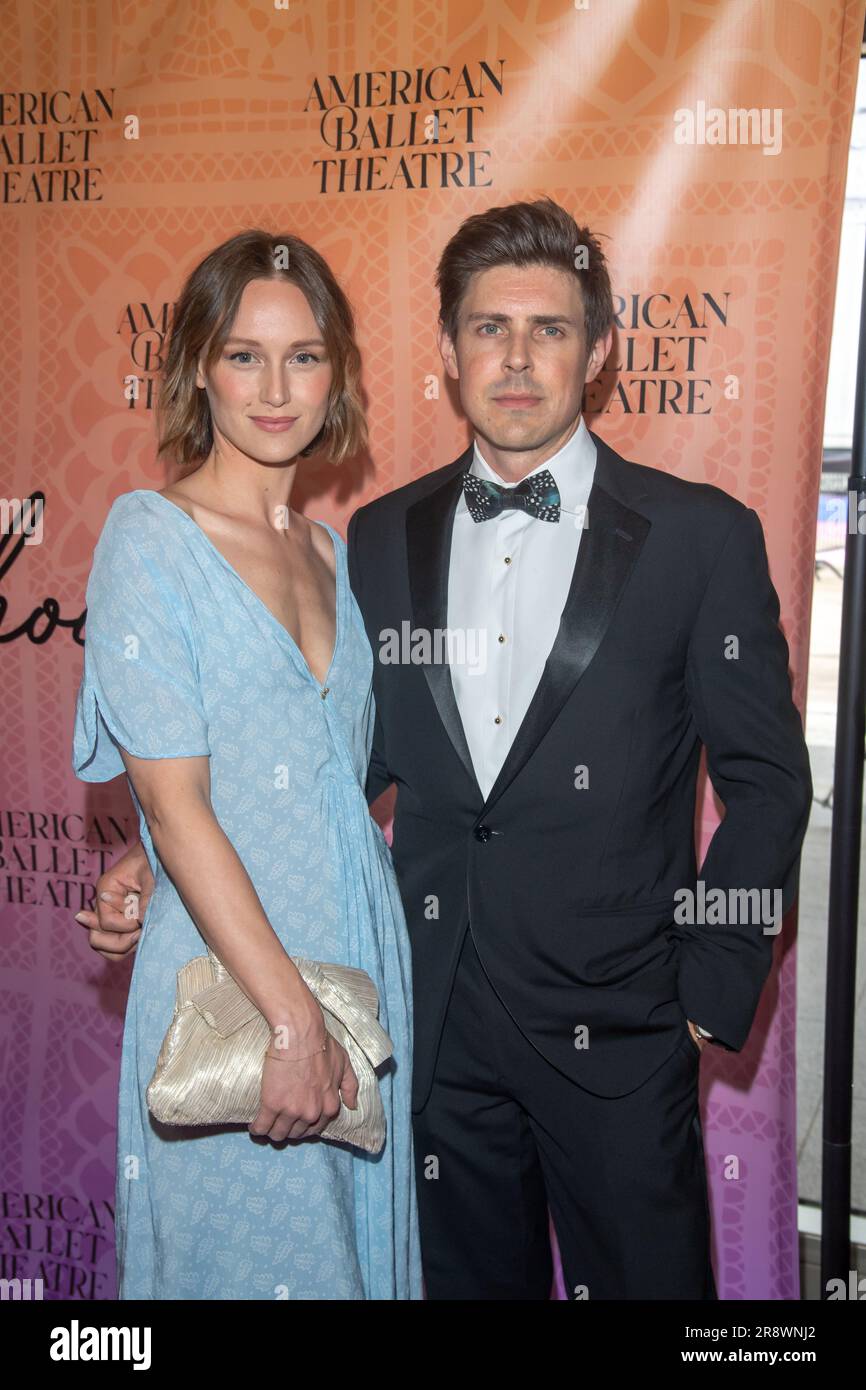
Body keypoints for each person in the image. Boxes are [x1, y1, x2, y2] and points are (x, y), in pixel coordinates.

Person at [79, 199, 813, 1301]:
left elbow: (764, 782)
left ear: (599, 350)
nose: (515, 361)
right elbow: (347, 751)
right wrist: (159, 839)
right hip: (429, 1024)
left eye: (549, 329)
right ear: (445, 353)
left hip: (619, 1033)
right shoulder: (377, 537)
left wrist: (707, 994)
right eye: (486, 329)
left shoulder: (698, 537)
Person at [71, 229, 422, 1300]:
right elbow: (181, 812)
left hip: (357, 965)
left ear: (338, 375)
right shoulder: (149, 538)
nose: (276, 387)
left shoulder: (331, 551)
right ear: (194, 369)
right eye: (242, 354)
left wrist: (144, 850)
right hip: (239, 998)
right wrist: (288, 1020)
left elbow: (306, 769)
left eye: (304, 355)